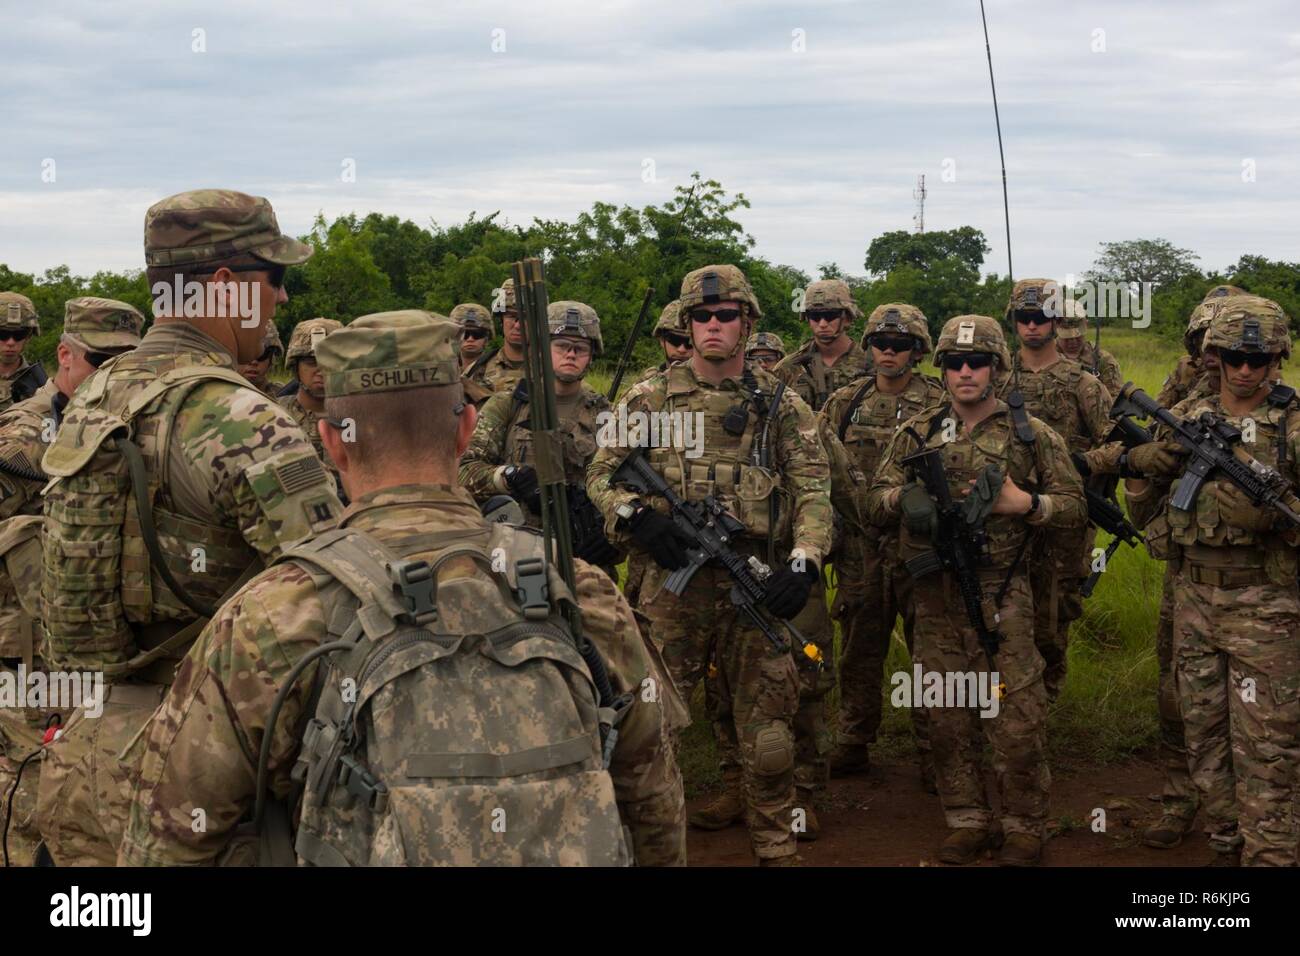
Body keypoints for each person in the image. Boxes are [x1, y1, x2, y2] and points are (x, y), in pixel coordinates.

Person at [117, 310, 686, 866]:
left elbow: (170, 835)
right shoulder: (579, 589)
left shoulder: (278, 609)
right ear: (466, 429)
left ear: (331, 443)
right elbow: (653, 797)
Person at [34, 188, 342, 866]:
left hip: (91, 748)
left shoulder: (99, 391)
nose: (282, 299)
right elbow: (338, 603)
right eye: (275, 277)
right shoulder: (240, 417)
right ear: (227, 288)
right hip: (204, 772)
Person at [589, 264, 832, 865]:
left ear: (747, 322)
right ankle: (649, 849)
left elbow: (813, 491)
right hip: (672, 592)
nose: (715, 326)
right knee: (651, 725)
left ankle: (776, 846)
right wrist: (635, 516)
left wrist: (802, 563)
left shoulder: (781, 403)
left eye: (727, 316)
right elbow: (598, 474)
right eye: (703, 316)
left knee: (769, 727)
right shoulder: (648, 397)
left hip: (754, 580)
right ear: (688, 324)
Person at [867, 314, 1085, 866]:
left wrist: (1030, 505)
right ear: (940, 368)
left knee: (1017, 715)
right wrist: (903, 503)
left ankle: (1022, 824)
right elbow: (873, 498)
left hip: (1004, 591)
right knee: (945, 712)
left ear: (996, 367)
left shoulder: (1031, 434)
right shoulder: (916, 431)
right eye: (954, 362)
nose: (965, 372)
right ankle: (966, 818)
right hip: (936, 590)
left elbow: (1076, 508)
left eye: (977, 362)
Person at [1125, 295, 1300, 867]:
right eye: (1232, 356)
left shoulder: (1293, 423)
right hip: (1193, 600)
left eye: (1259, 357)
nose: (1245, 369)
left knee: (1268, 746)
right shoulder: (1187, 414)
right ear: (1213, 355)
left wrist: (1273, 517)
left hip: (1266, 609)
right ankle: (1226, 844)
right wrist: (1142, 471)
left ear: (1278, 357)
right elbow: (1146, 511)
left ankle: (1270, 854)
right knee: (1203, 736)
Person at [0, 296, 144, 866]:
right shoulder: (25, 434)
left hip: (99, 648)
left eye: (124, 362)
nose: (112, 375)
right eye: (99, 360)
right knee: (27, 787)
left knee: (91, 795)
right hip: (26, 650)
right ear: (65, 355)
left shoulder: (126, 425)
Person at [820, 304, 943, 786]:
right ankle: (853, 739)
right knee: (858, 648)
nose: (888, 353)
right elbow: (818, 464)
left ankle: (936, 749)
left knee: (929, 650)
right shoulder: (845, 402)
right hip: (859, 546)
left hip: (920, 547)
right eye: (880, 344)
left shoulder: (938, 402)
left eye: (900, 346)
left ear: (917, 351)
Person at [997, 278, 1115, 701]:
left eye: (1042, 317)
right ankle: (1006, 695)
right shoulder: (996, 375)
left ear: (1056, 321)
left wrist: (1085, 463)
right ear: (1014, 322)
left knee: (1055, 610)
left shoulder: (1082, 382)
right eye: (1025, 318)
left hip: (1064, 518)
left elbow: (1119, 442)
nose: (1033, 326)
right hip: (1003, 516)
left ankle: (1046, 697)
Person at [459, 301, 619, 568]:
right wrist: (508, 476)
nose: (571, 354)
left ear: (591, 355)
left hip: (582, 561)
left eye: (580, 348)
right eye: (561, 346)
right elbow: (464, 471)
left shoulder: (607, 414)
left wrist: (611, 536)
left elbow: (623, 488)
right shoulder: (508, 404)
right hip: (512, 553)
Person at [773, 278, 871, 413]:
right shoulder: (788, 368)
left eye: (830, 315)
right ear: (807, 318)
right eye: (815, 316)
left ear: (847, 318)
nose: (823, 324)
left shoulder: (870, 366)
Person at [281, 317, 345, 492]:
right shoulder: (274, 415)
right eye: (311, 362)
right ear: (296, 367)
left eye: (329, 362)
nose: (321, 371)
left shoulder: (357, 416)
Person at [0, 292, 41, 413]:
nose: (11, 342)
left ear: (28, 336)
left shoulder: (41, 386)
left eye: (19, 334)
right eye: (2, 334)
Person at [238, 321, 284, 398]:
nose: (253, 362)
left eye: (262, 354)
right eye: (245, 353)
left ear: (271, 358)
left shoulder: (285, 397)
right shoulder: (216, 395)